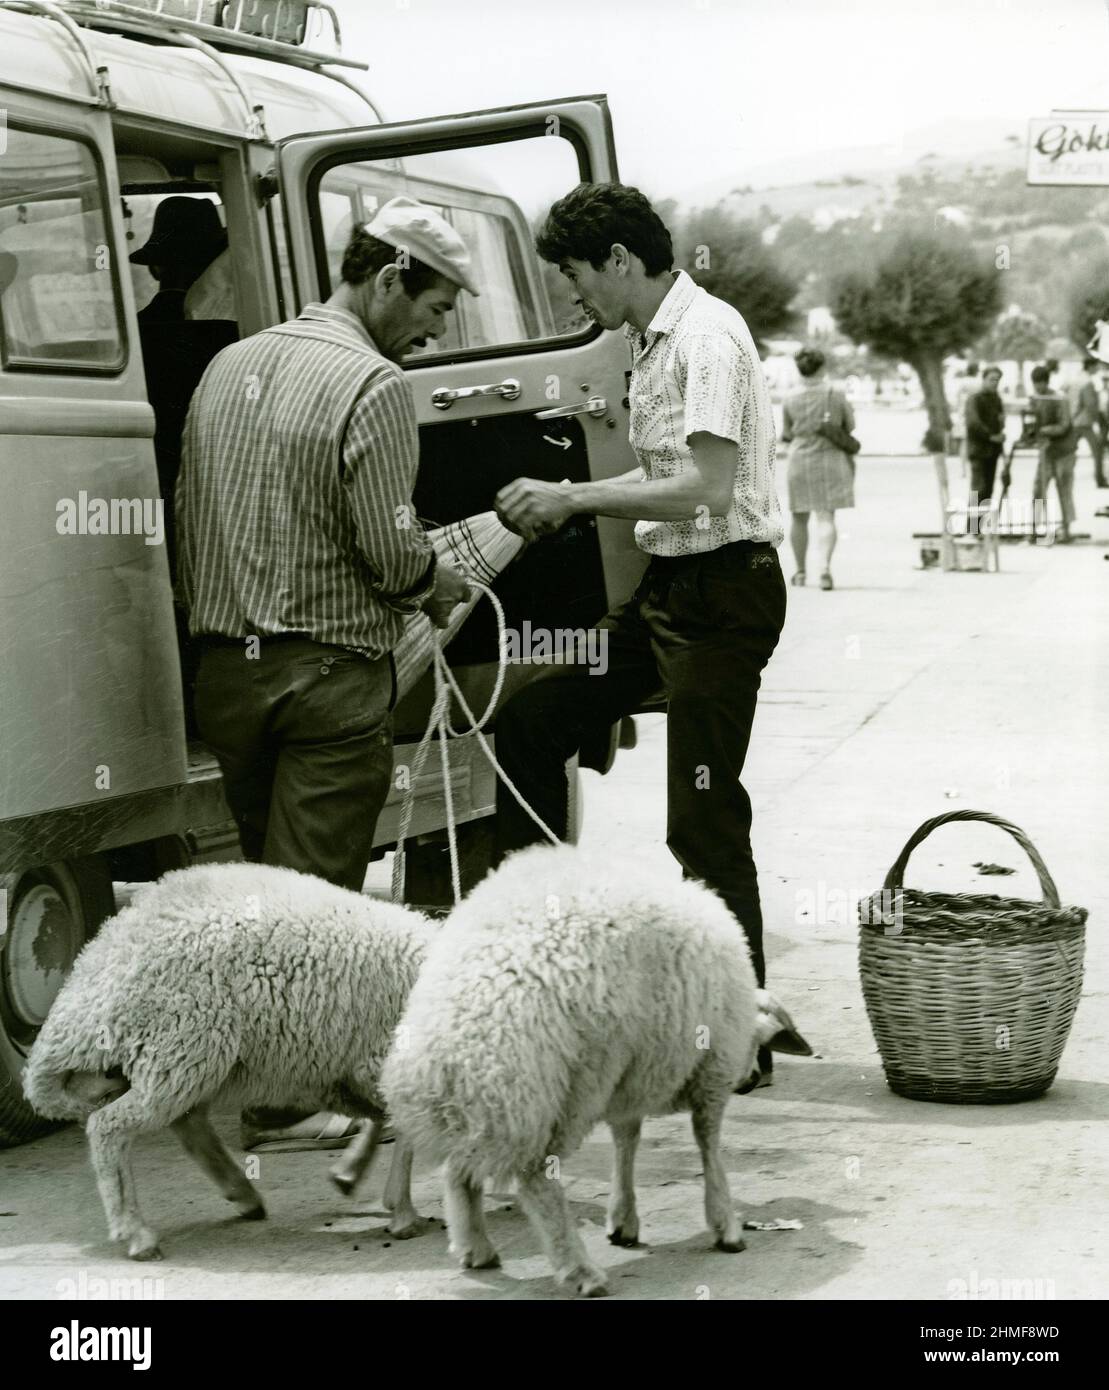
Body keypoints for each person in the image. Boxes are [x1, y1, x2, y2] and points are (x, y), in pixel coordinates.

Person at [176, 197, 474, 1149]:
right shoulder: (372, 386)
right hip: (327, 679)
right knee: (315, 906)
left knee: (261, 891)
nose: (438, 331)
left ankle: (251, 1073)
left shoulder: (227, 365)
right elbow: (390, 556)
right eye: (436, 307)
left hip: (226, 675)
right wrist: (439, 581)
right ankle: (285, 1099)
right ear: (389, 278)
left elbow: (187, 516)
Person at [491, 182, 787, 1088]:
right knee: (529, 729)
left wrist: (573, 498)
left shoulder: (704, 340)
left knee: (699, 815)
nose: (574, 298)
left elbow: (703, 486)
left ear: (620, 260)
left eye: (577, 276)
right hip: (669, 588)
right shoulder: (647, 340)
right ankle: (535, 963)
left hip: (721, 595)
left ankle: (741, 1038)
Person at [781, 347, 855, 590]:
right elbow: (850, 425)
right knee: (826, 516)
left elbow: (788, 433)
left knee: (799, 517)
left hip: (799, 458)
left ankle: (801, 572)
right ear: (822, 367)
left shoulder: (790, 397)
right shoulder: (835, 393)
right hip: (830, 457)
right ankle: (824, 567)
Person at [1007, 363, 1076, 544]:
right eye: (1035, 384)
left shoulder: (1060, 399)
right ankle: (1034, 528)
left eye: (1041, 383)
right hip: (1046, 451)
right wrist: (1029, 434)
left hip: (1064, 450)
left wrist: (1045, 430)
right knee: (1038, 489)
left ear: (1047, 382)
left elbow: (1064, 425)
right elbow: (1031, 420)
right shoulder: (1035, 398)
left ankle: (1066, 530)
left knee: (1064, 489)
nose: (1038, 387)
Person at [964, 365, 1006, 503]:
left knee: (988, 492)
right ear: (983, 379)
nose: (995, 383)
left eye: (997, 380)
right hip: (978, 451)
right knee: (978, 490)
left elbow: (999, 423)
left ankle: (981, 524)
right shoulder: (974, 399)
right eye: (991, 379)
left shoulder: (996, 399)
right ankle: (973, 525)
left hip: (992, 452)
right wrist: (991, 436)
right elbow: (973, 423)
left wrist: (1001, 425)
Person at [1072, 357, 1107, 488]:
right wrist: (1099, 420)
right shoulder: (1087, 382)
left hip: (1074, 421)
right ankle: (1100, 479)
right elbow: (1090, 404)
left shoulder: (1075, 378)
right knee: (1097, 451)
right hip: (1084, 422)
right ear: (1090, 366)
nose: (1097, 369)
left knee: (1069, 450)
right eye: (1096, 366)